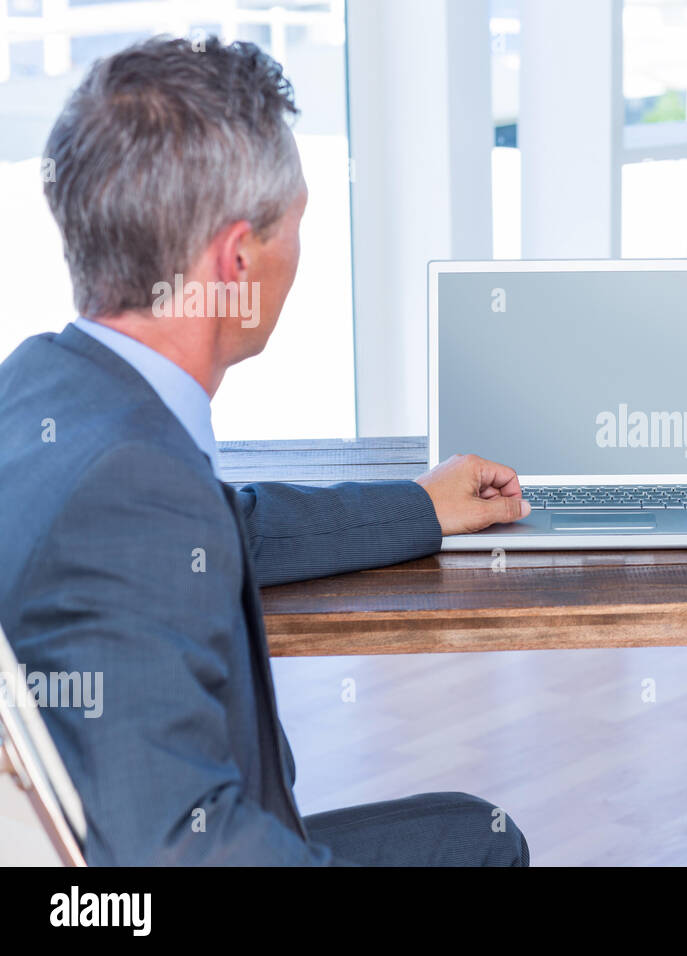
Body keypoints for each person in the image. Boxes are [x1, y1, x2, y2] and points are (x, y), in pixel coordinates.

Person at [0, 36, 530, 865]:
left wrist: (422, 506)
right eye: (297, 224)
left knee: (471, 833)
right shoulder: (129, 495)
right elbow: (171, 850)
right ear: (238, 259)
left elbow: (222, 531)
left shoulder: (42, 388)